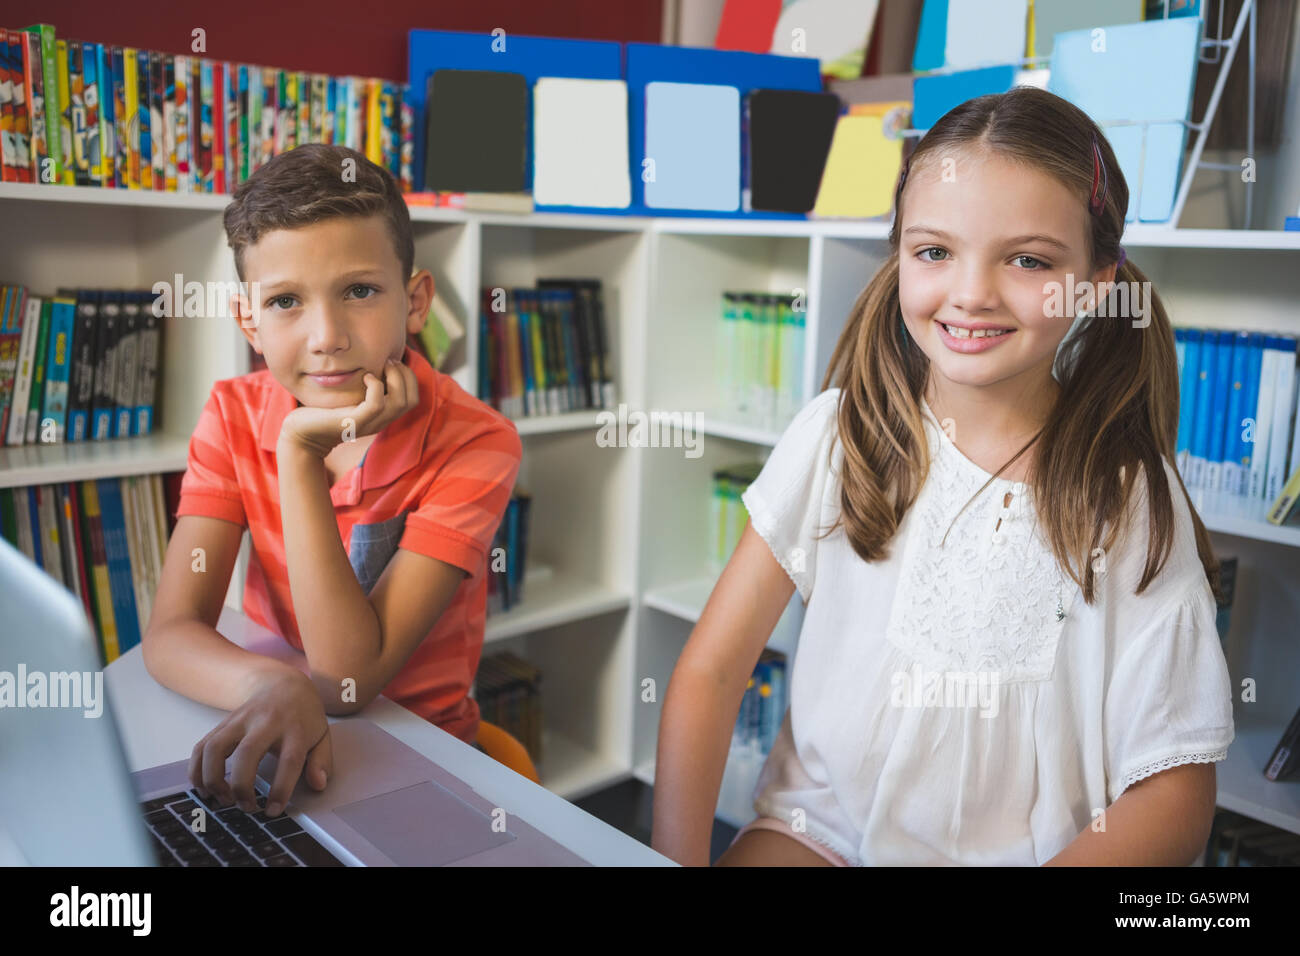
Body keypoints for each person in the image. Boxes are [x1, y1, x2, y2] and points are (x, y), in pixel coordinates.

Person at [652, 86, 1234, 866]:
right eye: (934, 251)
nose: (971, 294)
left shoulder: (1128, 498)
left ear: (1095, 283)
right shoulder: (839, 436)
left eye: (1027, 260)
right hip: (816, 838)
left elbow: (1176, 796)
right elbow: (712, 673)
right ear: (898, 256)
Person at [142, 144, 522, 820]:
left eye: (359, 290)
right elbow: (172, 631)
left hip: (418, 756)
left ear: (415, 302)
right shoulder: (231, 415)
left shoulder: (475, 441)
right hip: (273, 723)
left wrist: (297, 453)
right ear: (249, 322)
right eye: (286, 301)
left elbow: (346, 681)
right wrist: (270, 683)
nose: (327, 336)